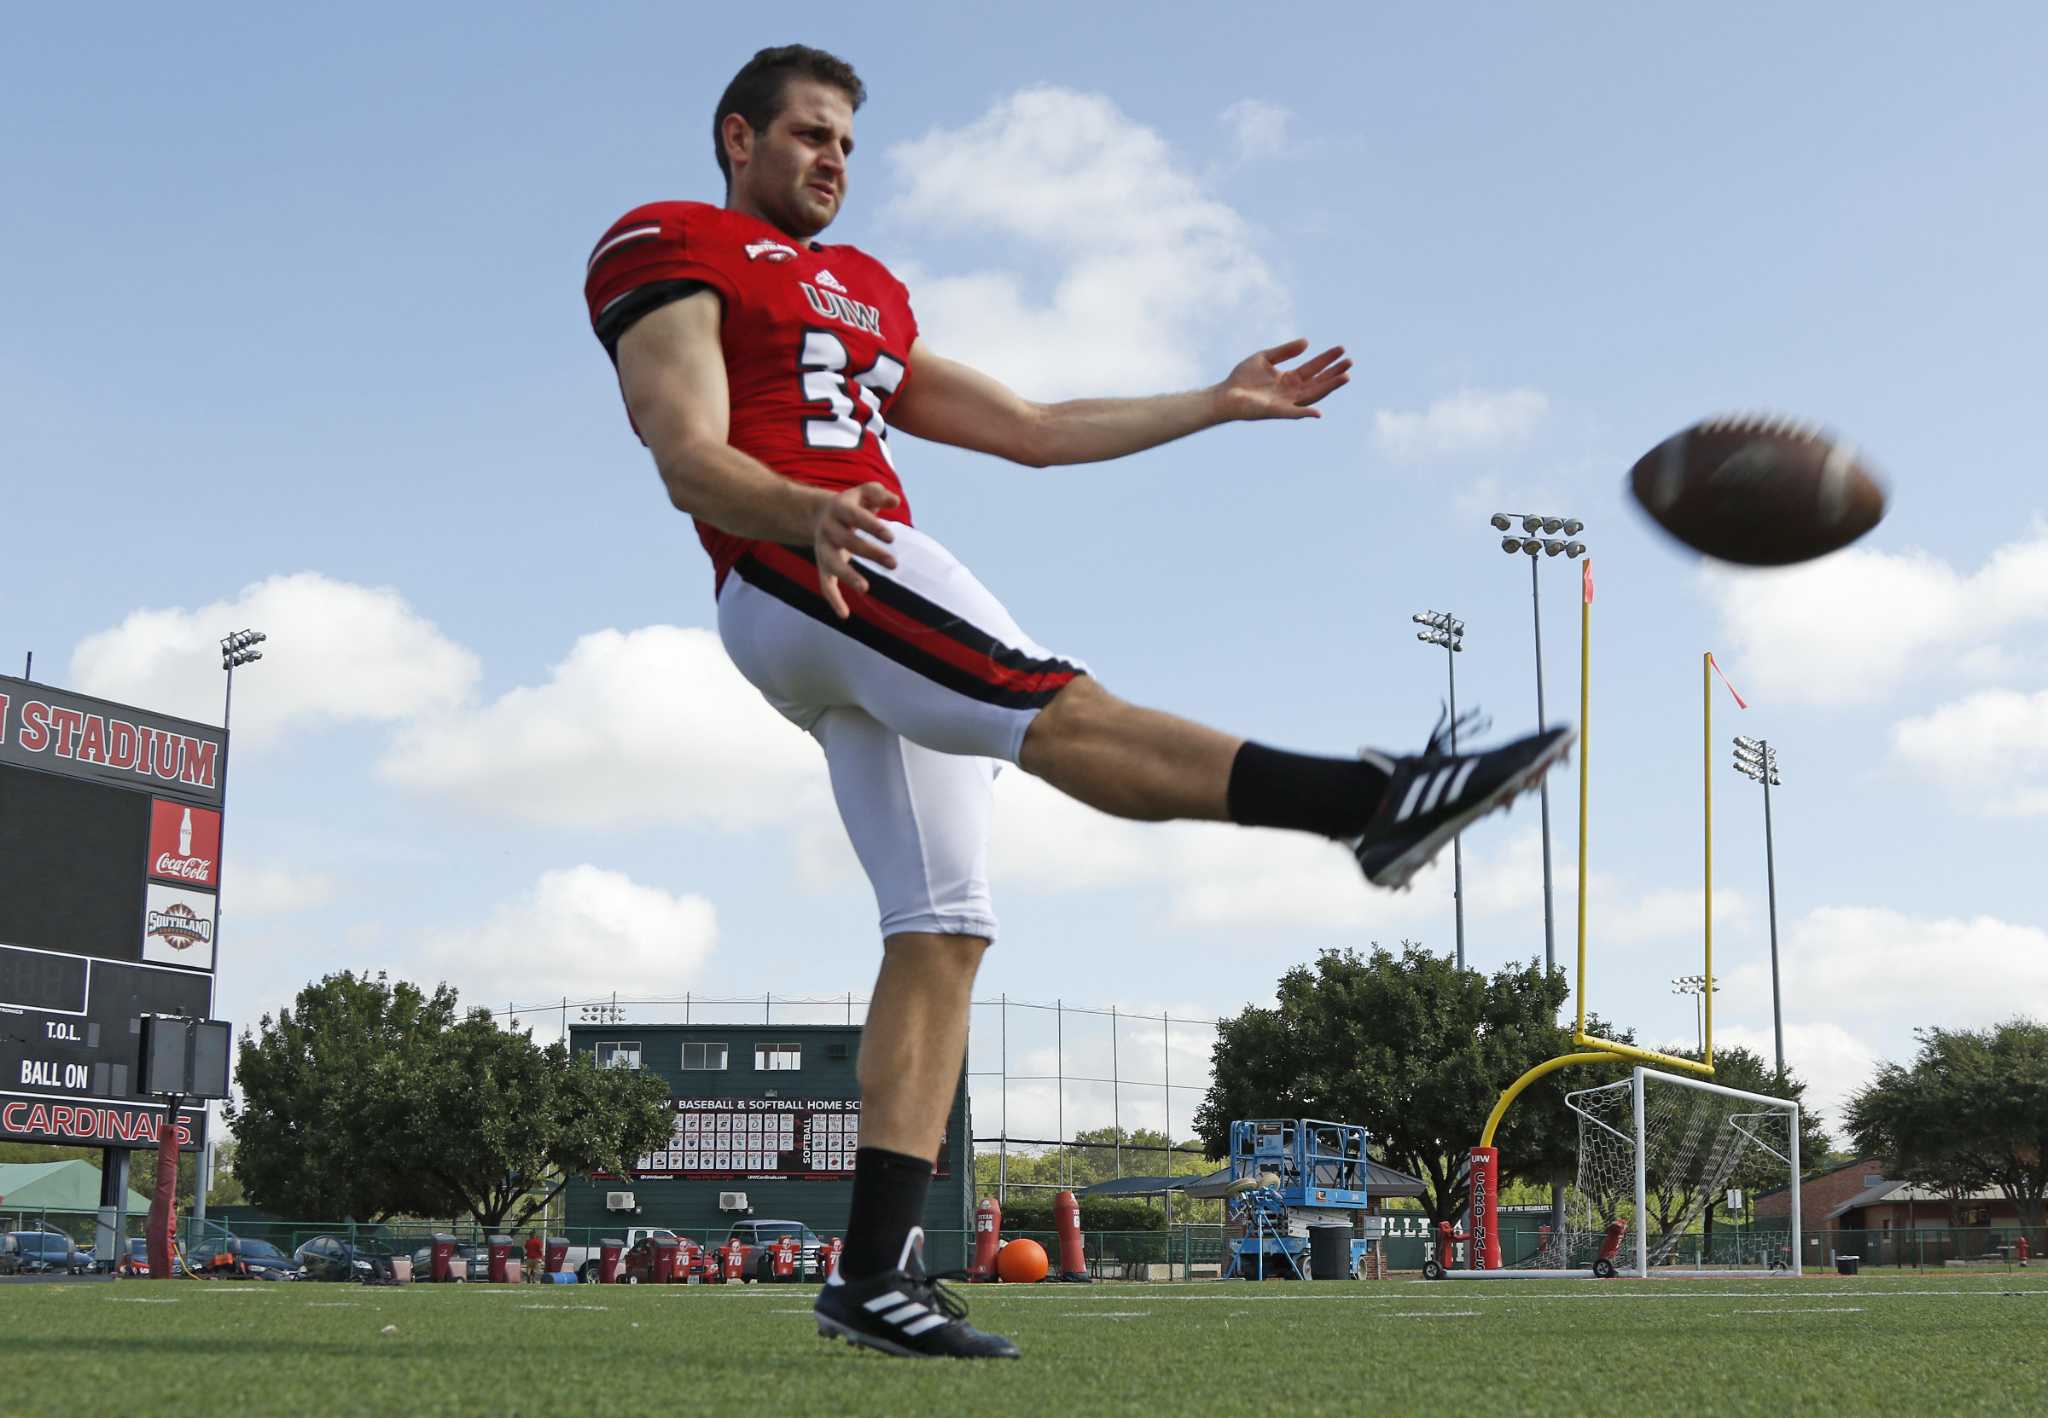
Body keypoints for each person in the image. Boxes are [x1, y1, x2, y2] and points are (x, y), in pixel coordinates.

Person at [583, 44, 1571, 1359]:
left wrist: (1216, 402)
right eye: (811, 135)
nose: (833, 160)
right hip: (809, 557)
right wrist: (804, 506)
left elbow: (1036, 426)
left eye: (849, 146)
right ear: (736, 136)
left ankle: (871, 1276)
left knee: (944, 926)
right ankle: (1374, 802)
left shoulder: (868, 290)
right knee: (1057, 705)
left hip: (835, 569)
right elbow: (686, 452)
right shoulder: (671, 241)